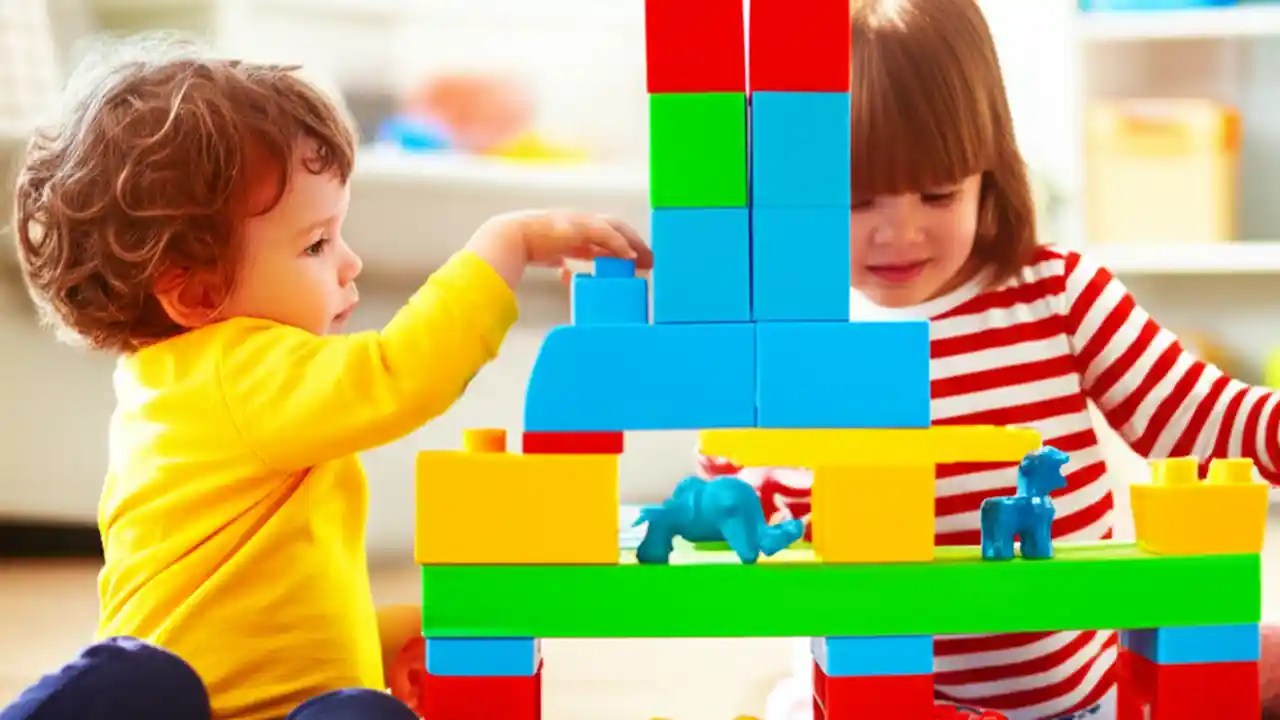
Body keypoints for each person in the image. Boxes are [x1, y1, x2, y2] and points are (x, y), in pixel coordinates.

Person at [4, 35, 650, 720]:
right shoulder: (234, 366)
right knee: (138, 677)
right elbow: (399, 373)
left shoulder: (183, 385)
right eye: (315, 244)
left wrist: (373, 640)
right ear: (193, 295)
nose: (350, 264)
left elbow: (257, 613)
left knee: (360, 710)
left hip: (274, 705)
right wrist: (503, 247)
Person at [691, 1, 1280, 719]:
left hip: (1084, 700)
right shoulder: (792, 336)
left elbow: (1205, 419)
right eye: (854, 201)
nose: (899, 232)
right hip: (888, 699)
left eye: (939, 192)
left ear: (987, 172)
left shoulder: (1056, 294)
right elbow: (738, 511)